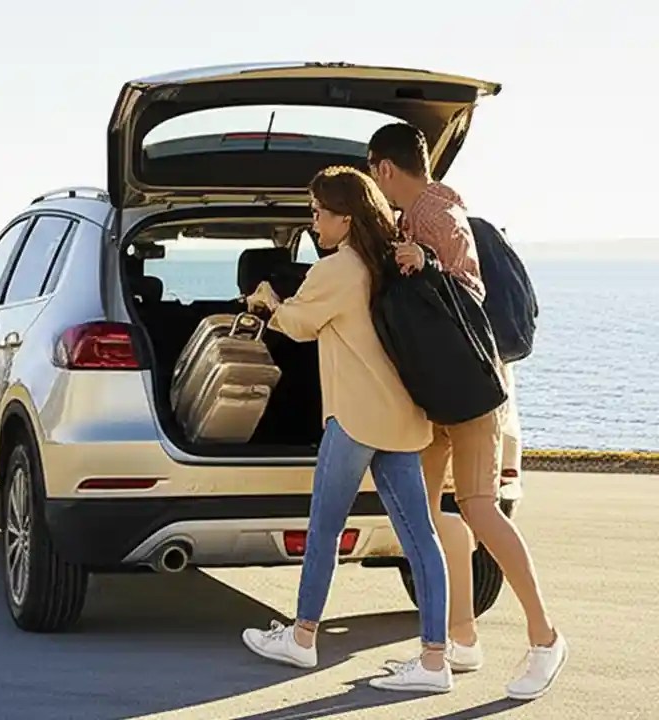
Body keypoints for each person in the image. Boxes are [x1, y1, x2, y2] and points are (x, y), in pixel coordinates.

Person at [366, 122, 567, 701]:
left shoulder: (439, 217)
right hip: (439, 395)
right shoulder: (415, 218)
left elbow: (467, 296)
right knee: (421, 516)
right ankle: (459, 638)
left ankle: (545, 637)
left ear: (384, 170)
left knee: (480, 508)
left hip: (471, 393)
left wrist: (424, 261)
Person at [240, 166, 453, 693]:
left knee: (324, 529)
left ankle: (303, 635)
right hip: (401, 417)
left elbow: (297, 325)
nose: (314, 224)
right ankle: (434, 658)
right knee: (420, 537)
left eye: (318, 213)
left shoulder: (337, 268)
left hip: (355, 418)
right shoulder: (388, 259)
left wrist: (267, 303)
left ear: (345, 217)